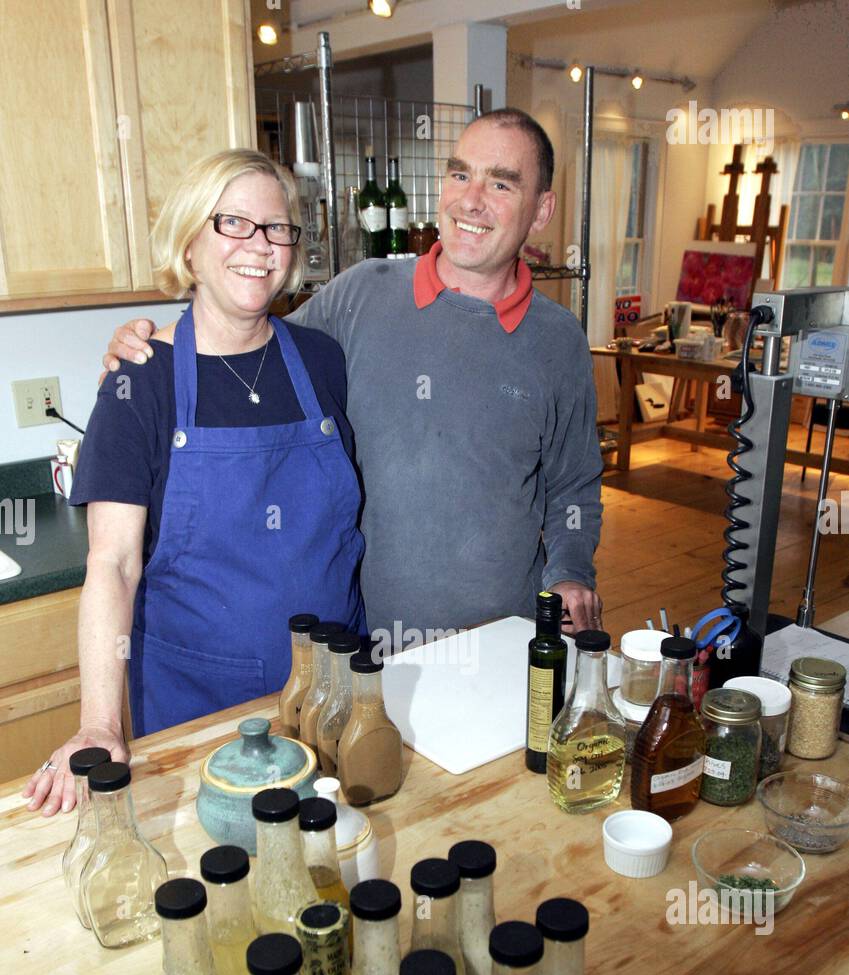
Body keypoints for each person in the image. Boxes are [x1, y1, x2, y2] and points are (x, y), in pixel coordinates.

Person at [104, 108, 603, 639]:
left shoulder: (558, 340)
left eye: (500, 183)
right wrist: (153, 348)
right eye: (460, 174)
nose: (471, 199)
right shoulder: (362, 293)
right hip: (365, 646)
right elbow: (249, 351)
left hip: (503, 636)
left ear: (542, 209)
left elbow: (574, 482)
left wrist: (571, 571)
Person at [25, 149, 365, 818]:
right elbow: (113, 562)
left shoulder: (321, 358)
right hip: (203, 710)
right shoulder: (139, 379)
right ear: (189, 241)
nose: (259, 246)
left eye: (276, 228)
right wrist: (99, 724)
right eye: (232, 223)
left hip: (333, 697)